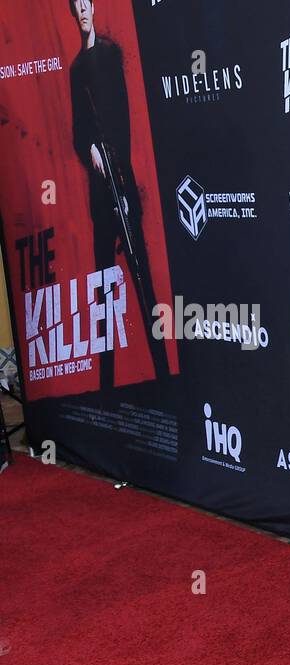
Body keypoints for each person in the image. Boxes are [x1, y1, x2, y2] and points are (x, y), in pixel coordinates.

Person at [68, 0, 169, 389]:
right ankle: (105, 384)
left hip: (121, 182)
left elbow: (122, 118)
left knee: (143, 279)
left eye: (85, 4)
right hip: (99, 195)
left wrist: (118, 174)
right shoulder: (76, 70)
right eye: (75, 6)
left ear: (93, 7)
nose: (82, 11)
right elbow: (78, 130)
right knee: (102, 287)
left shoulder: (111, 54)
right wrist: (89, 149)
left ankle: (163, 371)